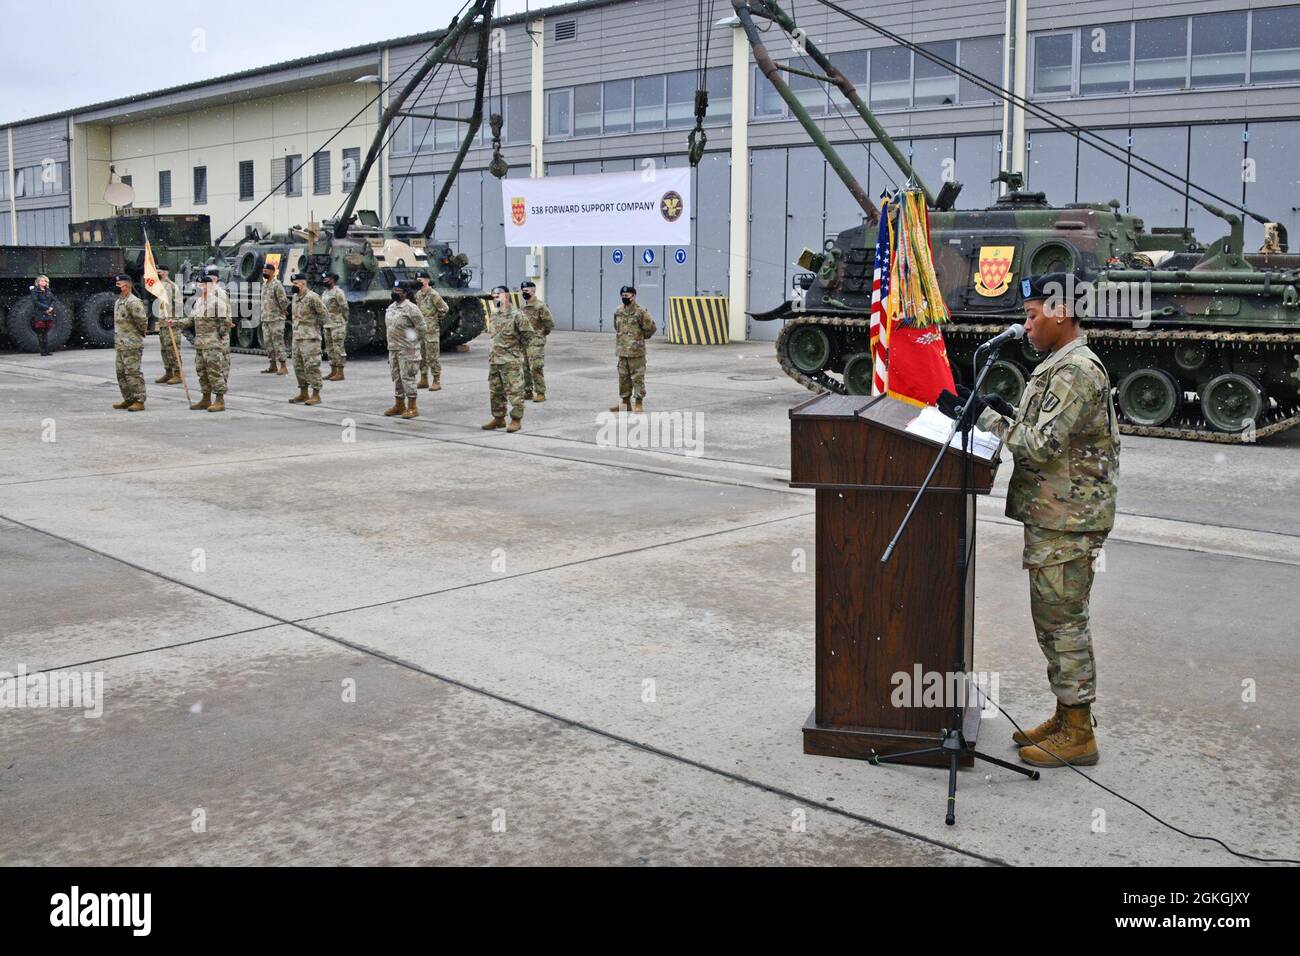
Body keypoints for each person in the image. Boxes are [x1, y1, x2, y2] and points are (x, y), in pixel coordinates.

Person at [960, 272, 1120, 768]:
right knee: (1053, 621)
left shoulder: (1075, 369)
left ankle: (1078, 732)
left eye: (1032, 316)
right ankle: (1067, 715)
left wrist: (984, 417)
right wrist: (1001, 408)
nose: (1025, 327)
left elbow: (1044, 444)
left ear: (1061, 313)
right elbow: (1046, 429)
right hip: (1058, 514)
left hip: (1068, 518)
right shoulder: (1059, 364)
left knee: (1063, 623)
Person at [169, 272, 232, 412]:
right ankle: (205, 398)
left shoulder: (217, 302)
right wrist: (174, 323)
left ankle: (220, 400)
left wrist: (218, 337)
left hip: (212, 344)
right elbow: (190, 320)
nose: (201, 287)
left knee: (214, 372)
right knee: (202, 372)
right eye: (199, 285)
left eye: (203, 284)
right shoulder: (198, 302)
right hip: (200, 343)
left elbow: (226, 322)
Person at [482, 285, 528, 433]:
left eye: (498, 296)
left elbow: (528, 337)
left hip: (510, 361)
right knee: (496, 392)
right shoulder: (495, 314)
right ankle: (499, 418)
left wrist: (515, 352)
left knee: (515, 392)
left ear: (506, 296)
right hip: (495, 360)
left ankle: (516, 420)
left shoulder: (517, 315)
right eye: (493, 296)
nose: (495, 299)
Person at [610, 285, 656, 413]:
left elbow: (651, 328)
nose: (625, 298)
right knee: (623, 378)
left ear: (634, 296)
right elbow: (616, 327)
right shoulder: (618, 311)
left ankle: (638, 403)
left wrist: (639, 340)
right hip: (622, 351)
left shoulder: (640, 312)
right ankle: (625, 404)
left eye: (627, 296)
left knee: (637, 378)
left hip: (636, 352)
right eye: (623, 296)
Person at [384, 281, 423, 420]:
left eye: (398, 290)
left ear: (405, 293)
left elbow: (422, 328)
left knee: (408, 378)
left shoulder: (411, 308)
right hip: (393, 349)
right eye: (394, 289)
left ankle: (412, 407)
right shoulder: (391, 307)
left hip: (407, 350)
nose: (395, 292)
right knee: (397, 378)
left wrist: (412, 341)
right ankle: (399, 405)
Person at [287, 273, 327, 406]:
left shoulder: (312, 297)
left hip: (310, 339)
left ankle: (316, 394)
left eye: (296, 284)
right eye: (293, 284)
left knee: (312, 366)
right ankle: (303, 393)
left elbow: (324, 315)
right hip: (297, 338)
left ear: (303, 284)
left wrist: (314, 328)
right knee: (298, 366)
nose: (294, 286)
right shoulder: (295, 297)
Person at [111, 274, 149, 411]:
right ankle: (128, 398)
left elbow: (142, 320)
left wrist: (139, 333)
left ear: (127, 285)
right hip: (121, 344)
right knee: (120, 373)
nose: (117, 287)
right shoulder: (119, 301)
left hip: (132, 344)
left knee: (133, 373)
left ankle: (139, 400)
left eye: (119, 284)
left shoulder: (133, 302)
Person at [519, 280, 554, 402]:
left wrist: (541, 334)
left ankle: (540, 393)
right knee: (524, 367)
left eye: (526, 291)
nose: (524, 293)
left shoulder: (540, 306)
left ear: (533, 291)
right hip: (524, 341)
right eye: (522, 291)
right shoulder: (522, 307)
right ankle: (527, 391)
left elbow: (549, 323)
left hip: (536, 341)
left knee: (536, 367)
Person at [414, 271, 449, 391]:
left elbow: (444, 308)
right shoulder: (418, 294)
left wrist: (434, 319)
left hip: (431, 331)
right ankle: (424, 379)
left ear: (427, 280)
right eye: (417, 279)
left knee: (433, 356)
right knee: (421, 356)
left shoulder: (433, 294)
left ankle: (436, 380)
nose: (419, 281)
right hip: (421, 331)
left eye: (421, 279)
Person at [153, 264, 184, 385]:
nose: (158, 274)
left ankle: (178, 373)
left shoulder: (171, 286)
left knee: (173, 348)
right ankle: (168, 371)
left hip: (171, 321)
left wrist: (173, 318)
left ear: (165, 273)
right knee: (164, 349)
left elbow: (179, 305)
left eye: (159, 272)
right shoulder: (159, 286)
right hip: (162, 321)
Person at [259, 261, 289, 375]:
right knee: (268, 343)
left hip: (276, 319)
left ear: (273, 272)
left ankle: (283, 366)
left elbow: (283, 301)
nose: (264, 272)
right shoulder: (265, 284)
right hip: (266, 319)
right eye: (263, 271)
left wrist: (284, 310)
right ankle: (273, 365)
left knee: (278, 343)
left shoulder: (277, 285)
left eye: (266, 271)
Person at [321, 272, 349, 381]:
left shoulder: (338, 292)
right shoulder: (325, 293)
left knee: (338, 348)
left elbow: (344, 307)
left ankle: (340, 372)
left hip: (337, 324)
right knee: (330, 349)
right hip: (327, 324)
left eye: (327, 279)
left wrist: (344, 319)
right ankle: (333, 371)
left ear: (332, 280)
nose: (325, 280)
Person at [29, 275, 57, 356]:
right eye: (41, 281)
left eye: (44, 281)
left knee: (46, 333)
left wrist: (51, 307)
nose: (43, 282)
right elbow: (36, 302)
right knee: (40, 333)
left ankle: (46, 350)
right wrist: (47, 308)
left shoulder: (48, 291)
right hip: (40, 313)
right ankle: (42, 351)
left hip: (48, 313)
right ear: (37, 282)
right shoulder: (35, 291)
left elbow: (54, 300)